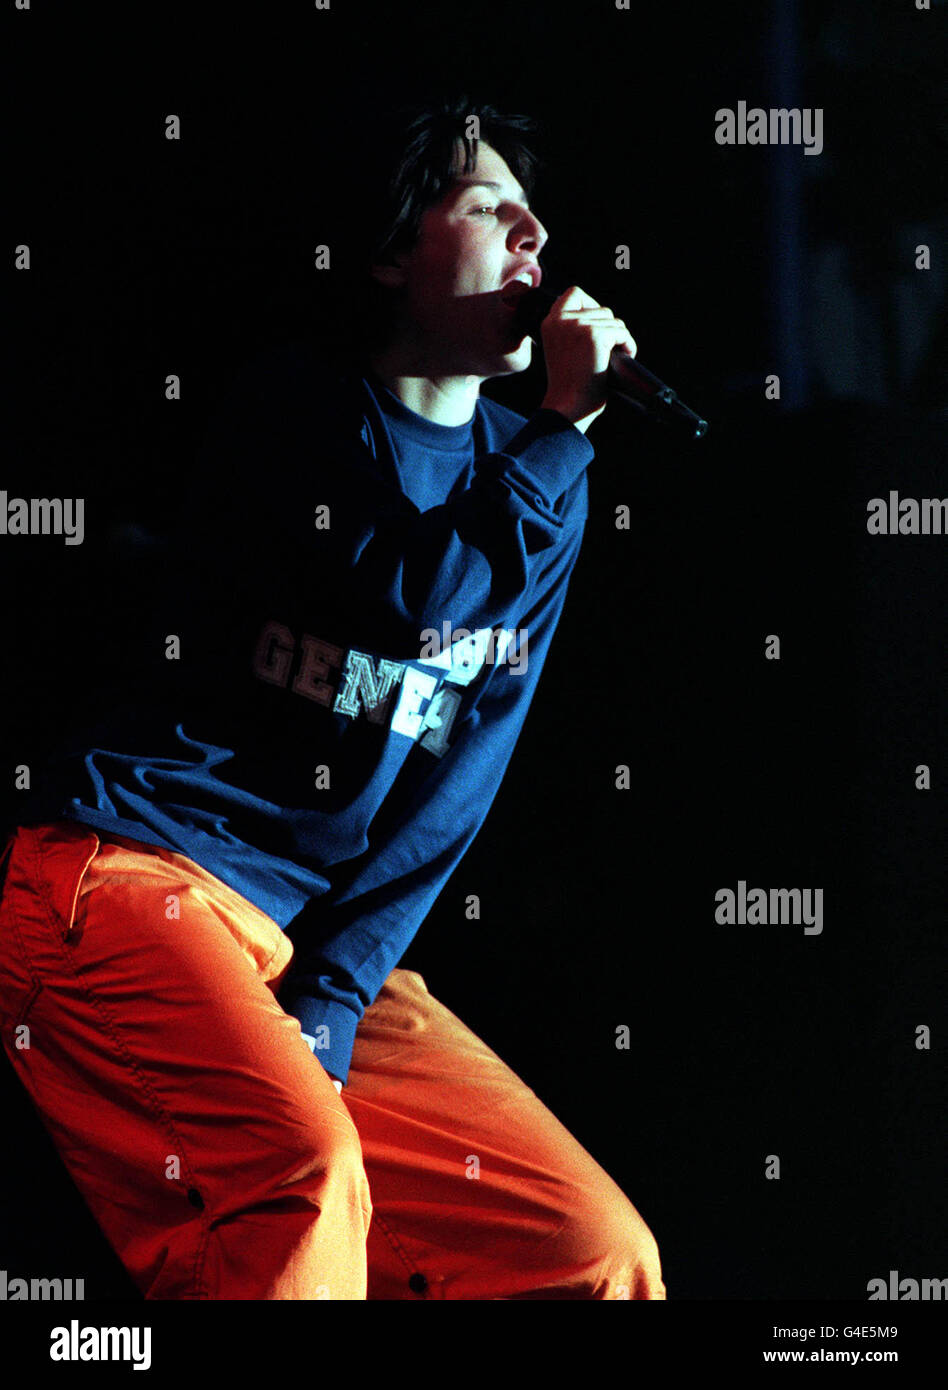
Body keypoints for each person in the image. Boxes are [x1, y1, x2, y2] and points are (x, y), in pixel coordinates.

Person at [0, 94, 666, 1300]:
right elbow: (413, 606)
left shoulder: (539, 487)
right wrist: (562, 432)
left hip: (297, 945)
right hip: (128, 875)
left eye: (536, 215)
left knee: (591, 1255)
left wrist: (340, 990)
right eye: (485, 206)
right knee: (302, 1175)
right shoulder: (293, 413)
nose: (532, 235)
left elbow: (461, 775)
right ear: (387, 253)